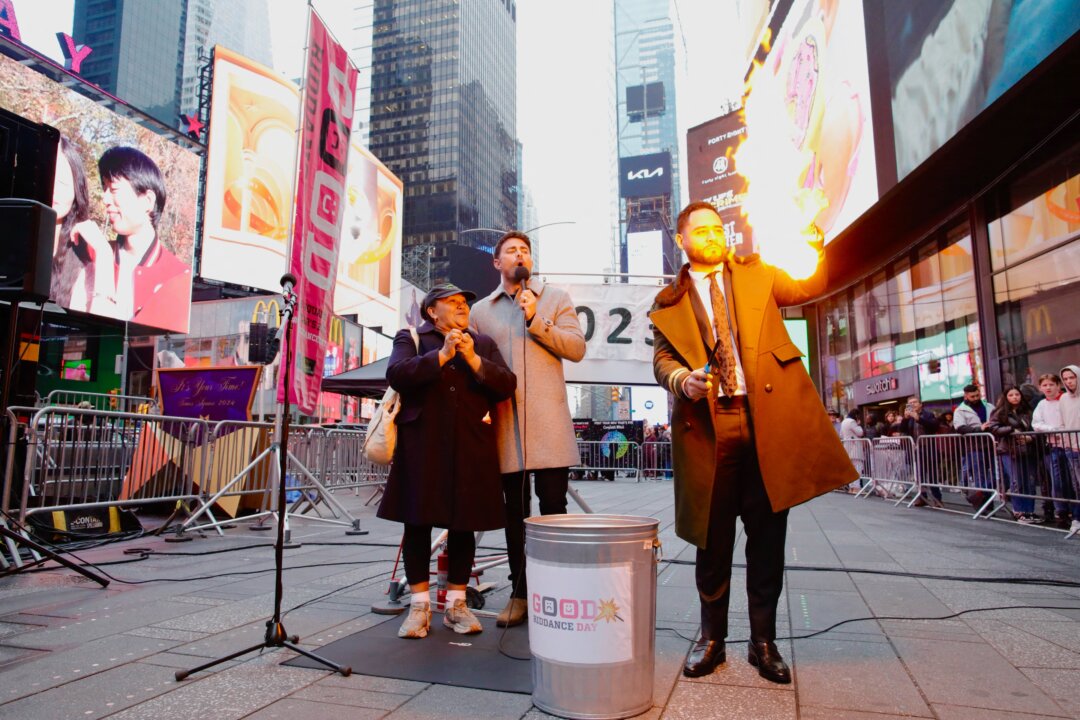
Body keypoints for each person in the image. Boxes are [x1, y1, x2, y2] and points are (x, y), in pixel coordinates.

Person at [650, 201, 856, 683]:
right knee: (712, 540)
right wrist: (682, 381)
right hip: (709, 427)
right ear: (682, 240)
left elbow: (806, 285)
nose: (712, 235)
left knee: (768, 538)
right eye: (701, 230)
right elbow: (662, 361)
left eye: (717, 228)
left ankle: (763, 641)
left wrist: (812, 243)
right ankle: (712, 639)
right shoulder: (667, 301)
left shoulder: (758, 273)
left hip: (766, 418)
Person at [378, 283, 517, 638]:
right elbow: (397, 374)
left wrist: (473, 359)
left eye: (464, 302)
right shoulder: (411, 337)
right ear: (431, 311)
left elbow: (506, 384)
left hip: (471, 443)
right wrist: (441, 355)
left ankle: (457, 604)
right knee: (417, 522)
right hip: (421, 443)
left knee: (464, 523)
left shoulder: (482, 343)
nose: (461, 306)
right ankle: (419, 606)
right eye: (452, 302)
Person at [468, 230, 586, 628]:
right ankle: (520, 592)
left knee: (554, 508)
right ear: (497, 262)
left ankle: (557, 588)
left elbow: (576, 348)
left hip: (549, 421)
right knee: (514, 512)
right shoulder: (480, 312)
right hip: (505, 422)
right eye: (511, 251)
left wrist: (536, 318)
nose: (520, 255)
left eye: (525, 251)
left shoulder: (556, 298)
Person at [75, 146, 190, 327]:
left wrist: (104, 257)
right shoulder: (91, 253)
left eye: (113, 189)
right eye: (104, 188)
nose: (105, 199)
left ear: (147, 201)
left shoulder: (179, 277)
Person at [49, 137, 98, 310]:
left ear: (76, 192)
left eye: (62, 183)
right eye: (48, 178)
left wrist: (104, 254)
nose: (53, 189)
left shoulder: (83, 258)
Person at [987, 385, 1038, 523]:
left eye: (1017, 394)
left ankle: (1030, 511)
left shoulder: (1027, 411)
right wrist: (1011, 429)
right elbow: (993, 428)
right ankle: (1019, 510)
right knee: (1017, 481)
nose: (1015, 397)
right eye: (1011, 395)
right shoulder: (1000, 412)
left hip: (1027, 449)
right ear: (1006, 397)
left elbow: (1035, 428)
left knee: (1029, 482)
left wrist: (1031, 437)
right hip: (1009, 450)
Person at [953, 384, 996, 508]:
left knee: (996, 475)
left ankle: (980, 497)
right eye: (973, 396)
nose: (976, 398)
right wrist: (979, 429)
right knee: (979, 476)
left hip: (991, 445)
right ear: (966, 396)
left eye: (978, 395)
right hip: (974, 447)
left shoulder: (989, 406)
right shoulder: (960, 410)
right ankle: (985, 504)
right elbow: (960, 428)